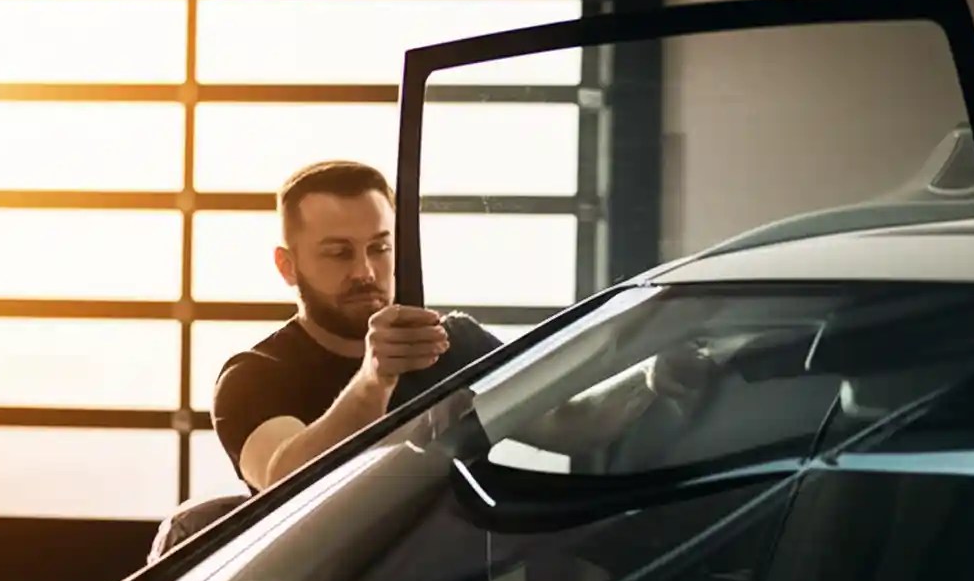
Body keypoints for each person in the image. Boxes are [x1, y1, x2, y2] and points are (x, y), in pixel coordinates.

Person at [211, 159, 716, 496]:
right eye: (339, 252)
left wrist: (650, 376)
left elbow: (569, 424)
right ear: (287, 266)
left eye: (380, 247)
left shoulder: (450, 341)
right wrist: (374, 381)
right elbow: (283, 480)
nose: (364, 270)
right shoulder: (253, 376)